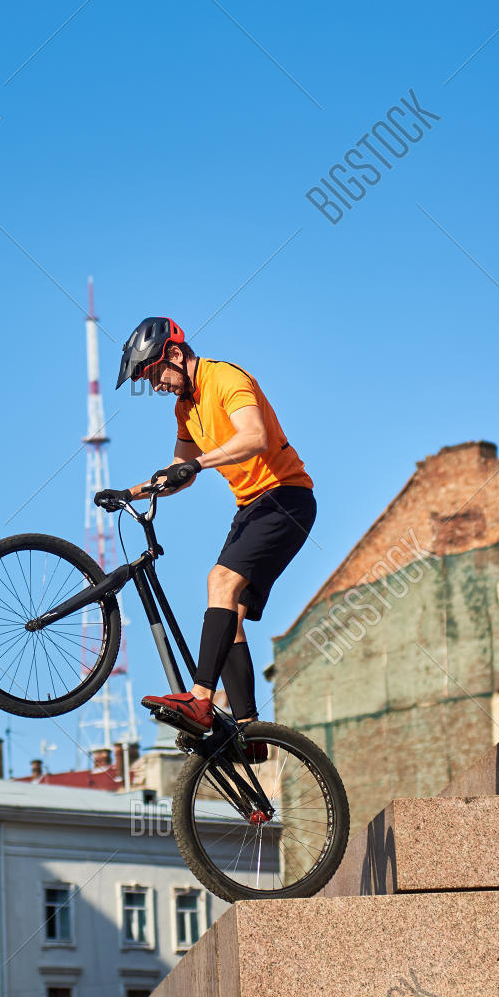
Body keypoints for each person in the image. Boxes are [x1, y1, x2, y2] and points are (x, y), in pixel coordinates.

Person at [115, 316, 315, 739]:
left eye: (154, 375)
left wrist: (198, 463)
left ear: (174, 353)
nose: (155, 386)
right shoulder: (184, 409)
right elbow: (177, 472)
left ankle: (201, 698)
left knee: (220, 580)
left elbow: (254, 436)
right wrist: (130, 492)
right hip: (251, 508)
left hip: (286, 496)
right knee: (230, 615)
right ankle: (250, 733)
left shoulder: (225, 378)